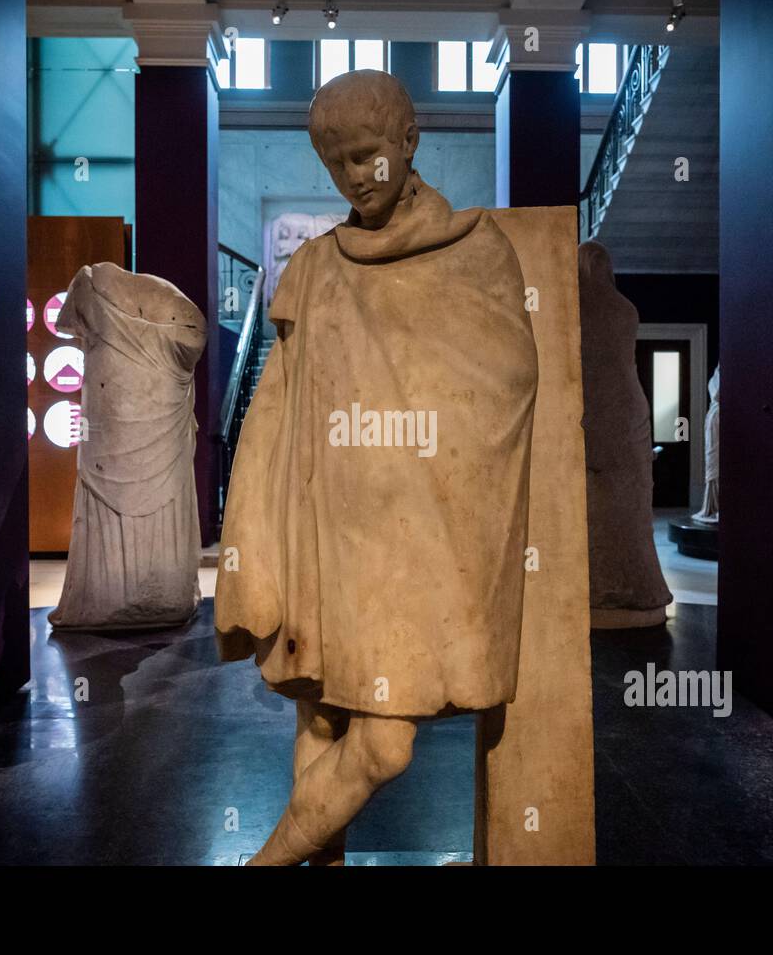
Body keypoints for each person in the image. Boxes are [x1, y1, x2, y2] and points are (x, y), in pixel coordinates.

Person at [214, 70, 538, 865]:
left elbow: (509, 381)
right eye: (337, 164)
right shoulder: (317, 267)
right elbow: (277, 410)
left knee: (385, 745)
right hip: (327, 532)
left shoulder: (476, 253)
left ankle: (266, 860)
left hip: (418, 545)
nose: (356, 175)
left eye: (367, 155)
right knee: (319, 714)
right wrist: (251, 541)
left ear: (408, 141)